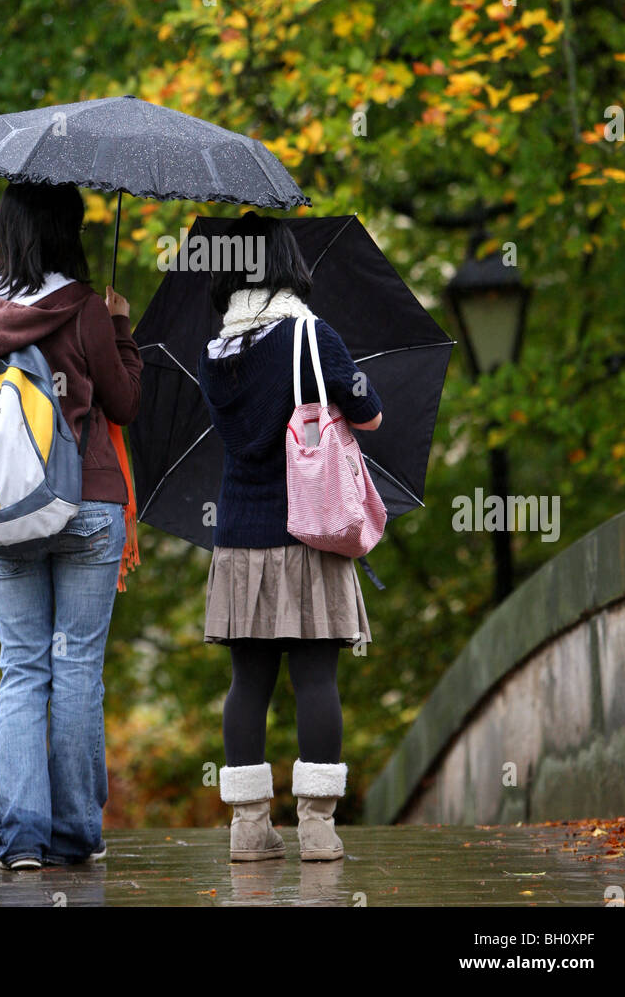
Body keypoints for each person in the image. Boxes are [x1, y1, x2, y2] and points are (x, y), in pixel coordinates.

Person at [0, 181, 142, 870]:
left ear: (8, 231)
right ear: (71, 233)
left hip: (4, 507)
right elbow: (124, 405)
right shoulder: (86, 307)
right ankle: (74, 832)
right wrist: (119, 329)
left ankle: (22, 838)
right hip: (86, 503)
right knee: (76, 669)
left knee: (23, 668)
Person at [197, 213, 383, 863]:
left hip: (240, 538)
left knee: (247, 684)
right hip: (312, 531)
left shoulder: (215, 353)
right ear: (284, 262)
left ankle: (248, 829)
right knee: (315, 680)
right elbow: (371, 410)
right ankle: (318, 829)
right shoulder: (310, 333)